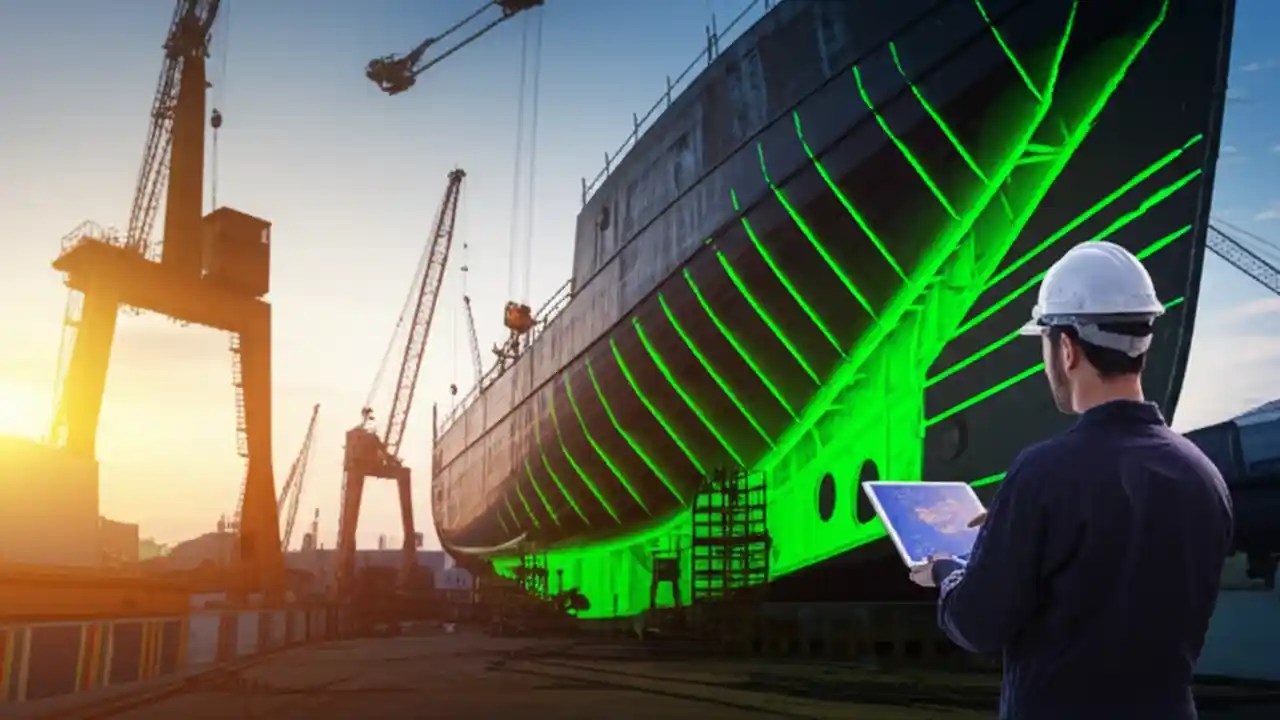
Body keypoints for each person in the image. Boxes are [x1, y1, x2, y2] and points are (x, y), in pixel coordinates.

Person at [909, 240, 1233, 719]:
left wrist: (945, 570)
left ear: (1066, 349)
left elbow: (977, 623)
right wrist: (1015, 526)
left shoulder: (1043, 474)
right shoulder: (1203, 474)